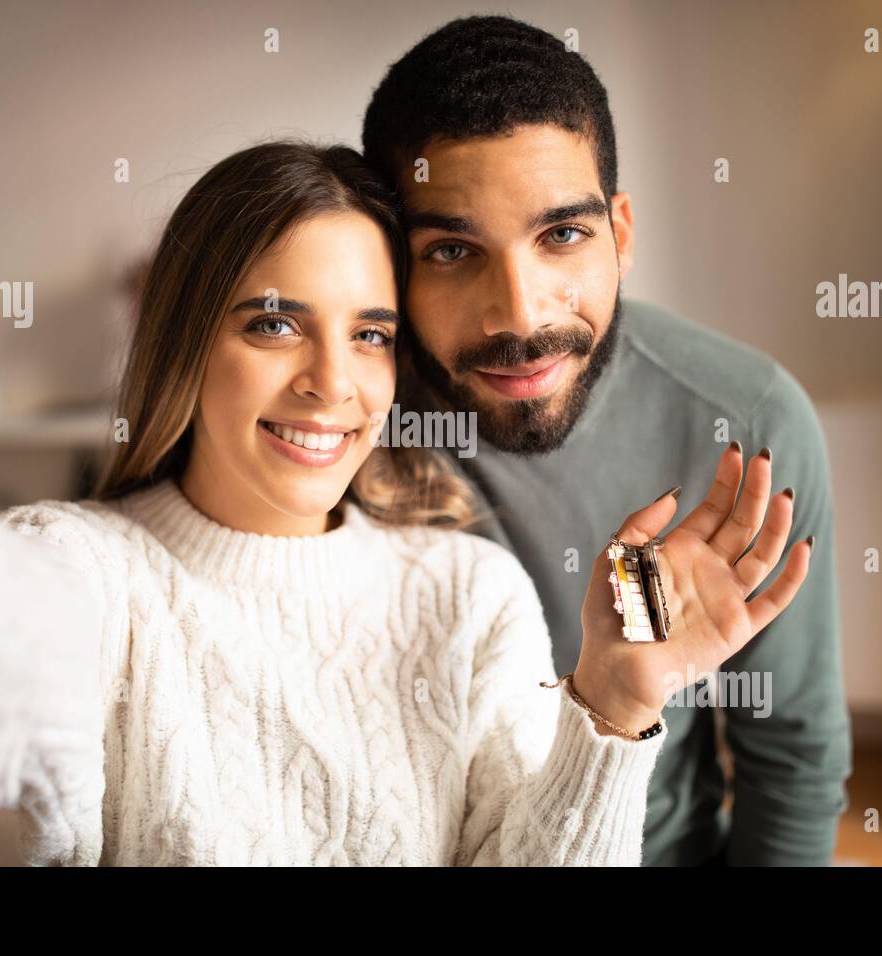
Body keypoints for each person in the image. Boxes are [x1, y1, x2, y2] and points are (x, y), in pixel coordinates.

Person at [0, 141, 812, 866]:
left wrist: (615, 704)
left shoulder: (468, 589)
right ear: (189, 338)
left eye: (368, 333)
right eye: (273, 325)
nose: (333, 381)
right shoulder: (92, 567)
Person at [360, 15, 852, 866]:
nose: (519, 314)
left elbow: (793, 763)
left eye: (562, 235)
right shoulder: (332, 420)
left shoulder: (748, 422)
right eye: (450, 249)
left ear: (620, 235)